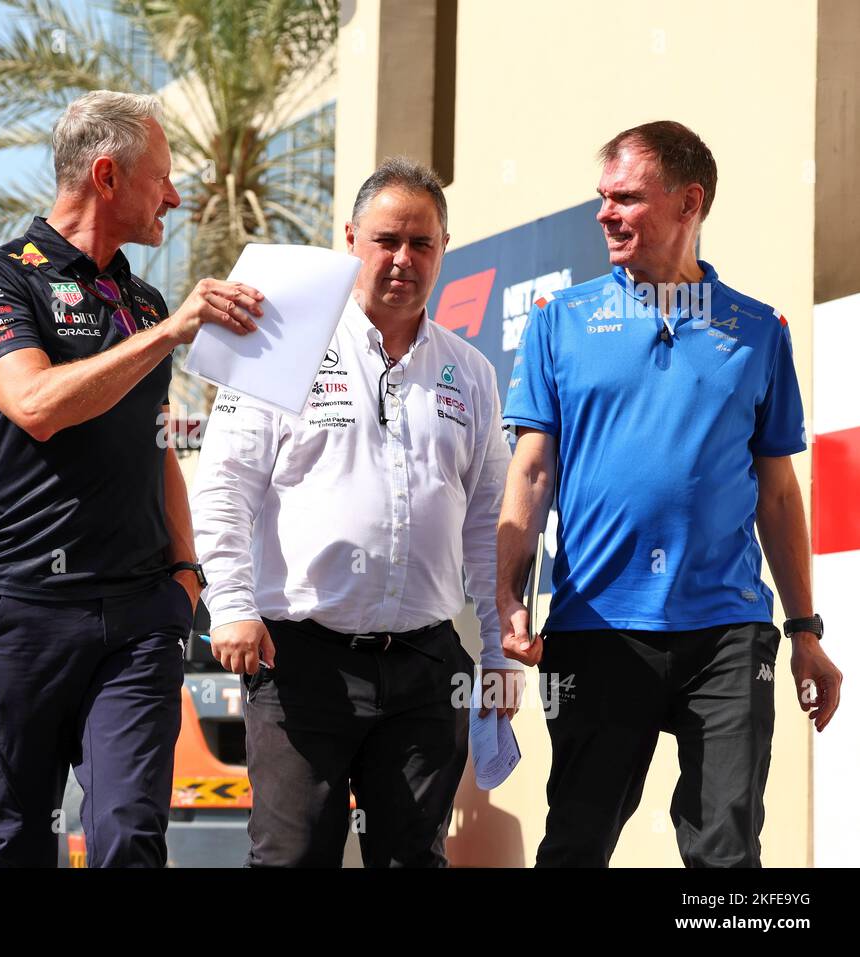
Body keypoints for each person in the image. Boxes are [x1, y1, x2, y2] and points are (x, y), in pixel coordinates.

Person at [498, 121, 843, 867]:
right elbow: (530, 472)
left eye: (626, 198)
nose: (605, 214)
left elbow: (779, 495)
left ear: (690, 202)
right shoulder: (560, 322)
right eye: (602, 198)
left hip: (726, 630)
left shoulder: (759, 331)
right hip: (596, 627)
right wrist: (508, 594)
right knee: (577, 844)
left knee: (726, 852)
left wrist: (805, 628)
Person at [0, 90, 262, 868]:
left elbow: (158, 449)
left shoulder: (142, 299)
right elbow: (35, 404)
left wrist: (187, 573)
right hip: (20, 608)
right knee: (17, 842)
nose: (177, 196)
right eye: (162, 177)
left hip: (137, 616)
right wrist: (169, 333)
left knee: (128, 836)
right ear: (107, 176)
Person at [191, 158, 519, 867]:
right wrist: (232, 606)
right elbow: (223, 482)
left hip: (426, 666)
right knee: (292, 856)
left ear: (442, 248)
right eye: (386, 240)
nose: (404, 259)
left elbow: (491, 526)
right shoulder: (284, 345)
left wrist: (496, 654)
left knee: (412, 859)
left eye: (422, 243)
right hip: (301, 661)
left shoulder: (472, 372)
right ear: (350, 240)